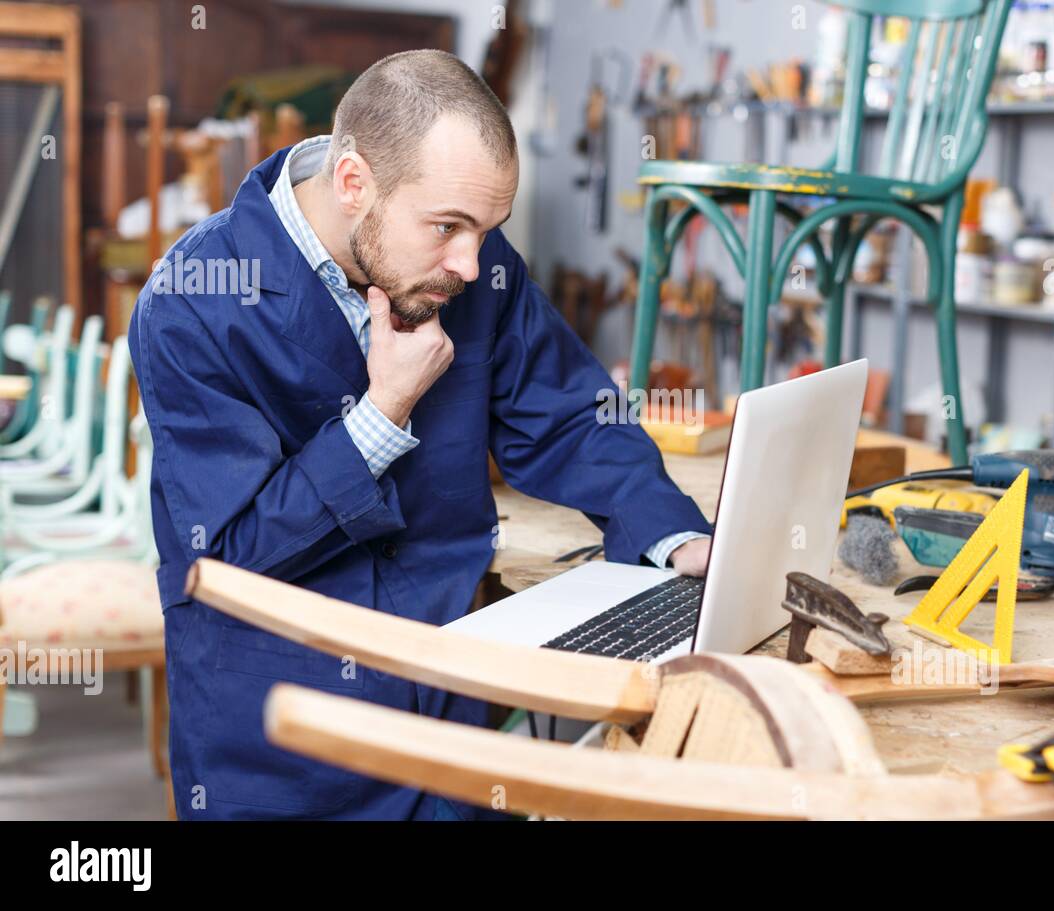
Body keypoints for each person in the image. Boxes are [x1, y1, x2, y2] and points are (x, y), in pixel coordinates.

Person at [129, 49, 712, 820]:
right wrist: (380, 414)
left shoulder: (466, 261)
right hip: (284, 754)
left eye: (487, 228)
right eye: (448, 227)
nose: (471, 265)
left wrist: (676, 535)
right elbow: (230, 555)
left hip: (451, 732)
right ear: (352, 182)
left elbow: (571, 416)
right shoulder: (191, 303)